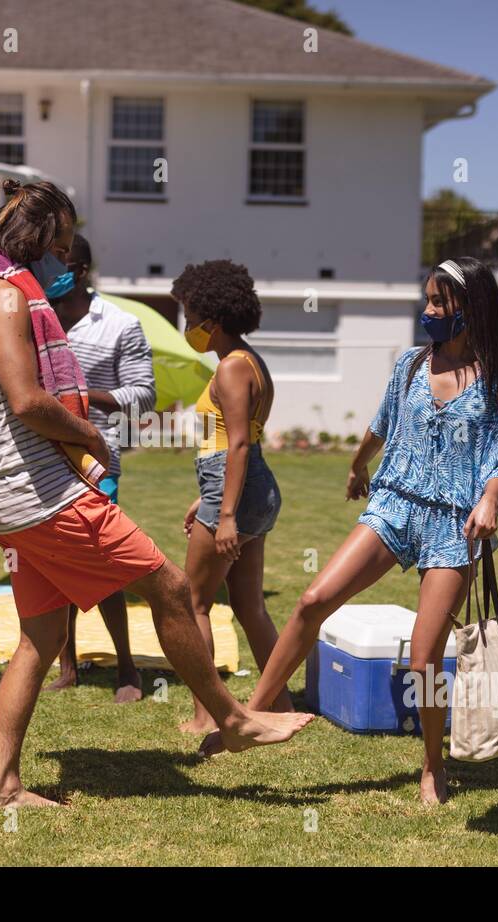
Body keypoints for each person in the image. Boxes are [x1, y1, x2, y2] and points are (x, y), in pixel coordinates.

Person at [0, 178, 312, 809]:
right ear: (37, 239)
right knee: (169, 587)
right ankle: (233, 719)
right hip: (51, 499)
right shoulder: (4, 300)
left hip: (5, 502)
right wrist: (91, 439)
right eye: (60, 244)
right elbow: (29, 401)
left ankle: (3, 787)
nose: (66, 260)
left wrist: (5, 459)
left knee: (39, 639)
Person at [201, 257, 498, 805]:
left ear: (468, 309)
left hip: (454, 522)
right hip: (395, 505)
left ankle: (432, 765)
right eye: (426, 299)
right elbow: (382, 423)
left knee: (425, 656)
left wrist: (491, 500)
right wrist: (358, 466)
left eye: (438, 303)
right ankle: (251, 718)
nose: (427, 311)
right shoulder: (409, 364)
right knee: (312, 599)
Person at [172, 260, 293, 734]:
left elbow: (237, 442)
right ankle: (279, 703)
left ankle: (207, 715)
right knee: (249, 607)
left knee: (193, 603)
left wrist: (223, 514)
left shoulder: (229, 368)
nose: (187, 326)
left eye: (189, 315)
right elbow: (234, 445)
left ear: (212, 320)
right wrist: (205, 498)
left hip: (234, 491)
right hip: (248, 488)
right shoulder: (253, 361)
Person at [45, 234, 156, 702]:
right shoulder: (34, 319)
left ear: (83, 269)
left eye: (60, 262)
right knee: (55, 564)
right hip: (43, 457)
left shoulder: (120, 324)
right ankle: (67, 665)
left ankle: (127, 668)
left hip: (96, 459)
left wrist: (83, 399)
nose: (51, 270)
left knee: (103, 559)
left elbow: (144, 395)